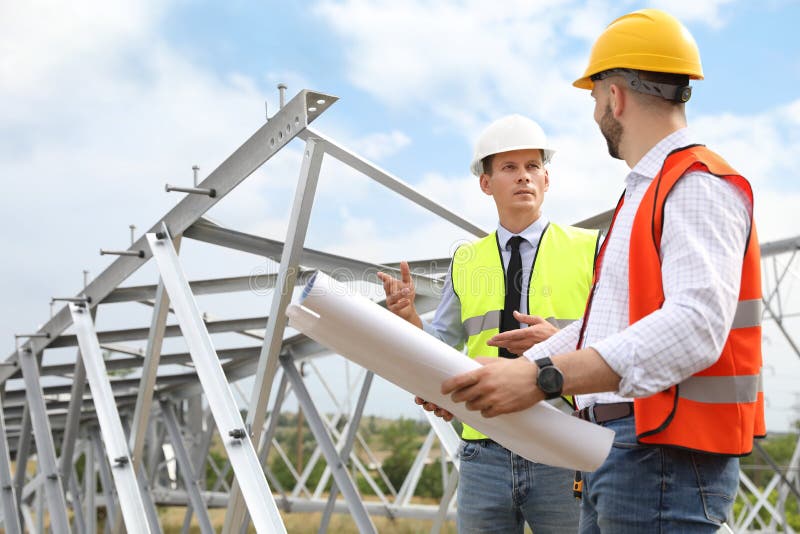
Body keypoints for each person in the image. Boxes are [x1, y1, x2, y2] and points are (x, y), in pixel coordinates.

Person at [439, 9, 764, 534]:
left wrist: (542, 376)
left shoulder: (694, 183)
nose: (595, 114)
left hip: (664, 457)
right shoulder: (647, 193)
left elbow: (697, 325)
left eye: (594, 98)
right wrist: (492, 380)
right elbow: (609, 328)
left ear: (615, 97)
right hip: (628, 454)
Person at [378, 114, 600, 533]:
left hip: (562, 443)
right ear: (486, 182)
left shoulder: (589, 248)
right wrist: (408, 318)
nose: (524, 178)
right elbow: (438, 348)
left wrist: (557, 344)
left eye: (533, 167)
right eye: (510, 168)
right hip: (484, 450)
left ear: (547, 180)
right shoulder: (466, 261)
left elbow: (616, 341)